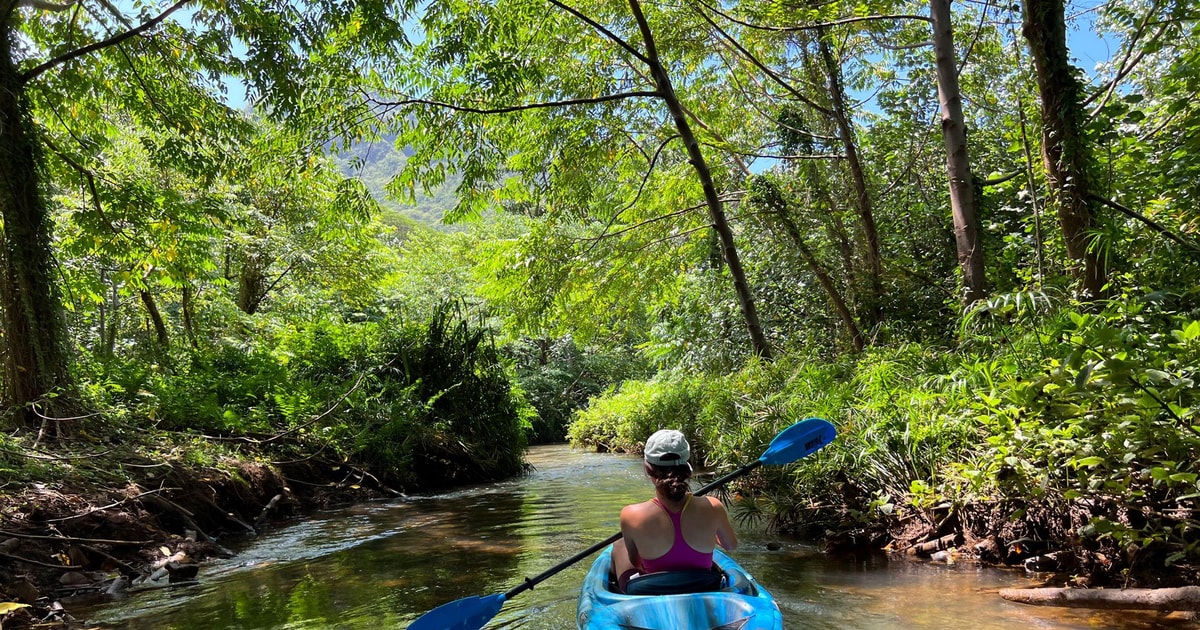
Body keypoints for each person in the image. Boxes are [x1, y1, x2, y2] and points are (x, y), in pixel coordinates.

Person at [610, 429, 738, 594]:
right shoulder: (713, 506)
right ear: (687, 469)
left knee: (619, 545)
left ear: (647, 469)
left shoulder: (630, 514)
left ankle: (616, 593)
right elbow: (731, 545)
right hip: (704, 586)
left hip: (651, 592)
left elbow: (635, 562)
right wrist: (709, 533)